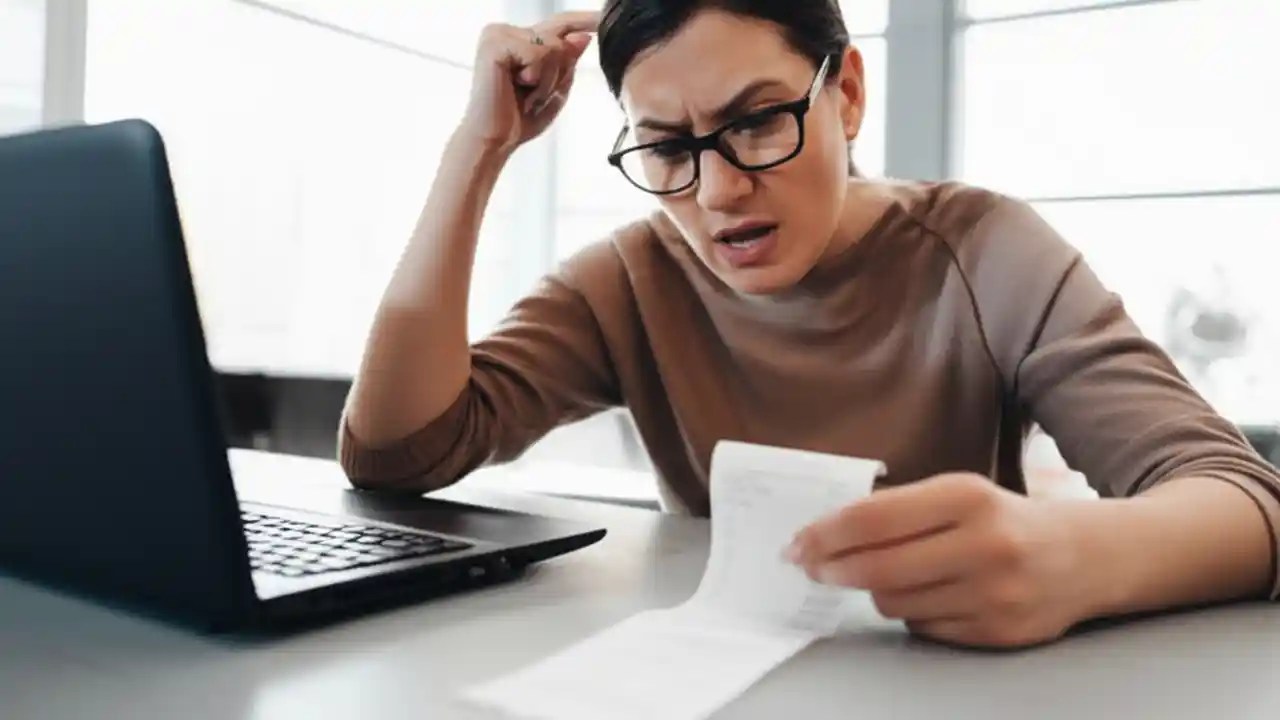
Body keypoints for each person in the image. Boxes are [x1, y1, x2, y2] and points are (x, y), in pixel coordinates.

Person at [337, 0, 1280, 648]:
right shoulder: (629, 277)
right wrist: (479, 150)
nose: (718, 192)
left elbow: (1247, 500)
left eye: (757, 122)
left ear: (849, 94)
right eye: (666, 147)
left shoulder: (982, 248)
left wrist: (1072, 557)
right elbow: (399, 452)